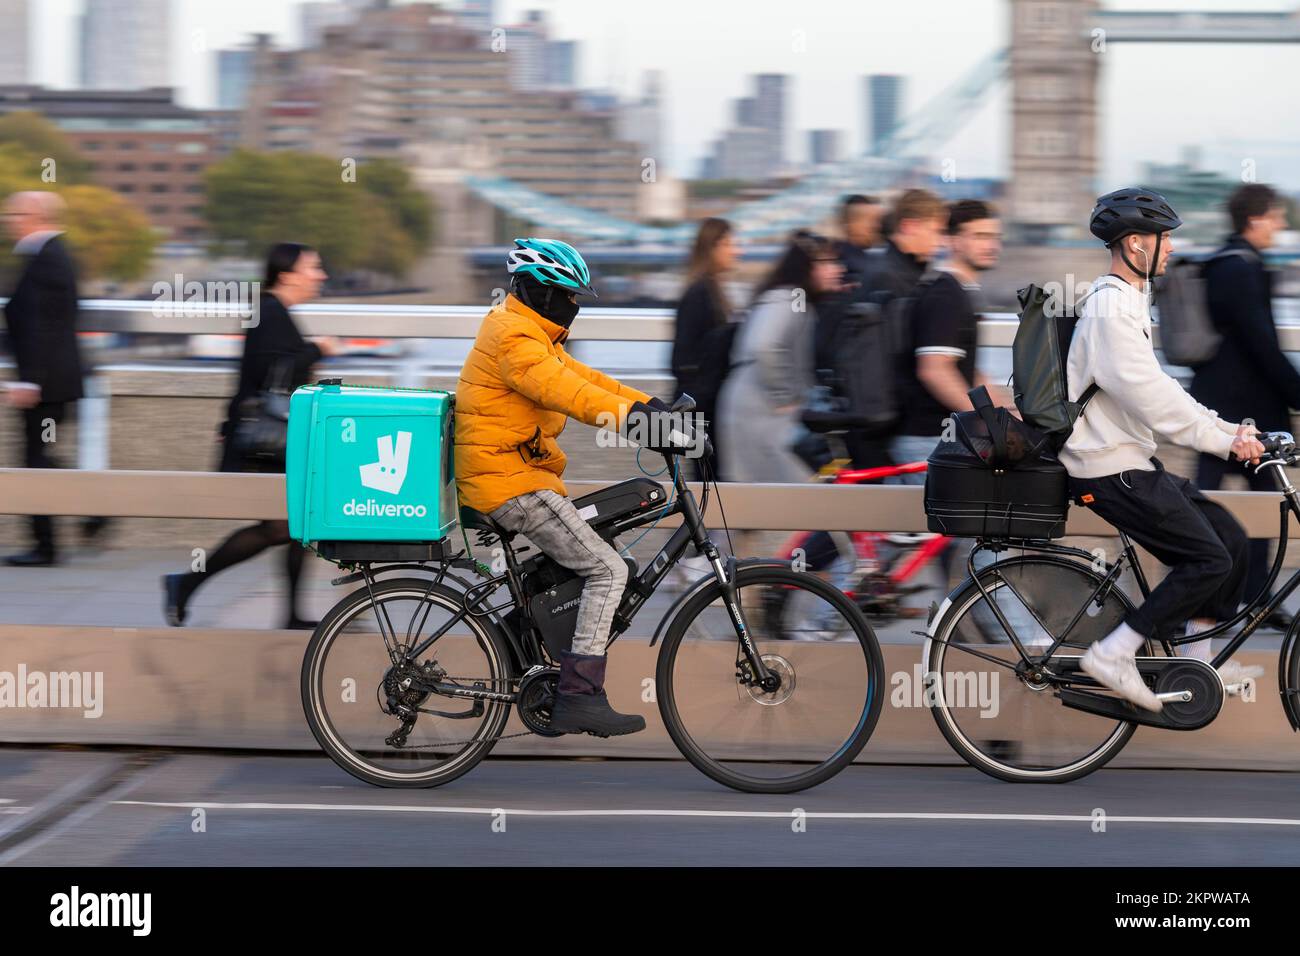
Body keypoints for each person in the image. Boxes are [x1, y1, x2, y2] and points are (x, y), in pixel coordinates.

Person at [456, 237, 687, 737]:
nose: (575, 305)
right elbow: (566, 393)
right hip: (508, 484)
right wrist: (641, 424)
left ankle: (517, 641)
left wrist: (654, 408)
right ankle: (579, 695)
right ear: (542, 292)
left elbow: (589, 378)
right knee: (606, 570)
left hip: (519, 475)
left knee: (606, 553)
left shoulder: (530, 332)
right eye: (569, 295)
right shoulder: (515, 338)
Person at [1064, 187, 1265, 712]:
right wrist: (1225, 441)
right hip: (1107, 470)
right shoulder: (1110, 310)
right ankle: (1114, 652)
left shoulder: (1129, 300)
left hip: (1130, 462)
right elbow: (1153, 401)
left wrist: (1230, 429)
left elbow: (1164, 391)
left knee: (1232, 540)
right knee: (1206, 559)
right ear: (1135, 245)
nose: (1172, 249)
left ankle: (1196, 662)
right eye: (1164, 239)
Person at [163, 243, 339, 629]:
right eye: (315, 267)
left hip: (269, 437)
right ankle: (187, 582)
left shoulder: (274, 311)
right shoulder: (271, 312)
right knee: (283, 526)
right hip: (265, 442)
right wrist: (317, 349)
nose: (321, 275)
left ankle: (289, 613)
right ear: (288, 274)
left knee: (295, 525)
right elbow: (270, 371)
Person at [1190, 183, 1298, 631]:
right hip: (1246, 414)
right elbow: (1262, 343)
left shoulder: (1220, 263)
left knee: (1209, 505)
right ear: (1255, 219)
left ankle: (1225, 597)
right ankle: (1244, 598)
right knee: (1259, 503)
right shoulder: (1243, 269)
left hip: (1213, 404)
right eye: (1276, 216)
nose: (1282, 225)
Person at [1, 191, 93, 567]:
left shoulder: (48, 258)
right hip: (50, 381)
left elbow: (46, 327)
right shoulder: (46, 255)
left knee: (37, 460)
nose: (9, 219)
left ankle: (49, 545)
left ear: (36, 216)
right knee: (41, 458)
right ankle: (92, 509)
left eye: (15, 212)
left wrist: (30, 381)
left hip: (46, 384)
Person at [890, 198, 1011, 473]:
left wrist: (1008, 410)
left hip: (941, 439)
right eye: (980, 236)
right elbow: (935, 370)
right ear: (953, 241)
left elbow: (964, 368)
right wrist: (987, 422)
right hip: (930, 440)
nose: (991, 245)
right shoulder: (946, 293)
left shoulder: (959, 292)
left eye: (995, 237)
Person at [844, 188, 947, 468]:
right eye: (936, 231)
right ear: (910, 226)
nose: (940, 242)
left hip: (880, 422)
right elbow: (903, 353)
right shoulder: (894, 279)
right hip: (890, 426)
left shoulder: (887, 270)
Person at [672, 216, 738, 480]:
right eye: (730, 244)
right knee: (710, 483)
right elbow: (683, 360)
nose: (736, 251)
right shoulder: (700, 294)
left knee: (711, 481)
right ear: (713, 248)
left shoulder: (710, 290)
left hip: (706, 407)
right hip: (702, 412)